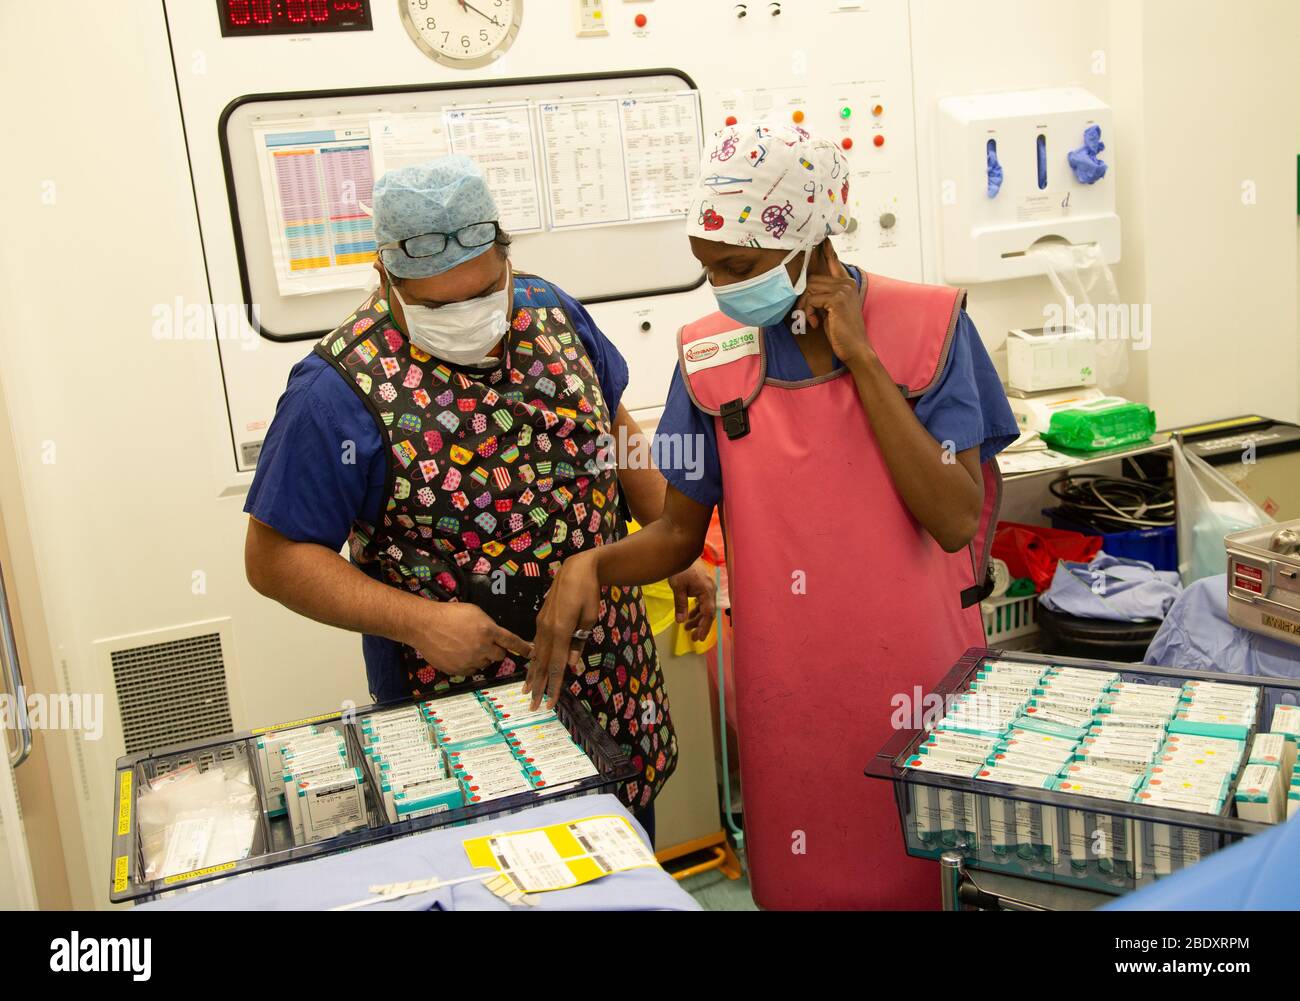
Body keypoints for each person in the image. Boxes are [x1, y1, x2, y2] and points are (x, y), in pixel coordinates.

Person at [529, 123, 1020, 907]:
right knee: (801, 880)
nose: (720, 287)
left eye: (737, 266)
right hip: (789, 695)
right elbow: (678, 532)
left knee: (929, 876)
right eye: (708, 268)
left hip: (919, 678)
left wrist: (861, 356)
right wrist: (593, 562)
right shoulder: (710, 356)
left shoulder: (929, 328)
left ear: (811, 243)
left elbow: (955, 516)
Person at [243, 156, 715, 838]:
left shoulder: (554, 314)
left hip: (611, 673)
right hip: (464, 710)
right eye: (437, 305)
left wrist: (669, 540)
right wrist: (416, 621)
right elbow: (276, 557)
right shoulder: (334, 392)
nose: (468, 316)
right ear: (385, 278)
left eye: (486, 291)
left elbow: (611, 428)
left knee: (625, 856)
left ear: (506, 259)